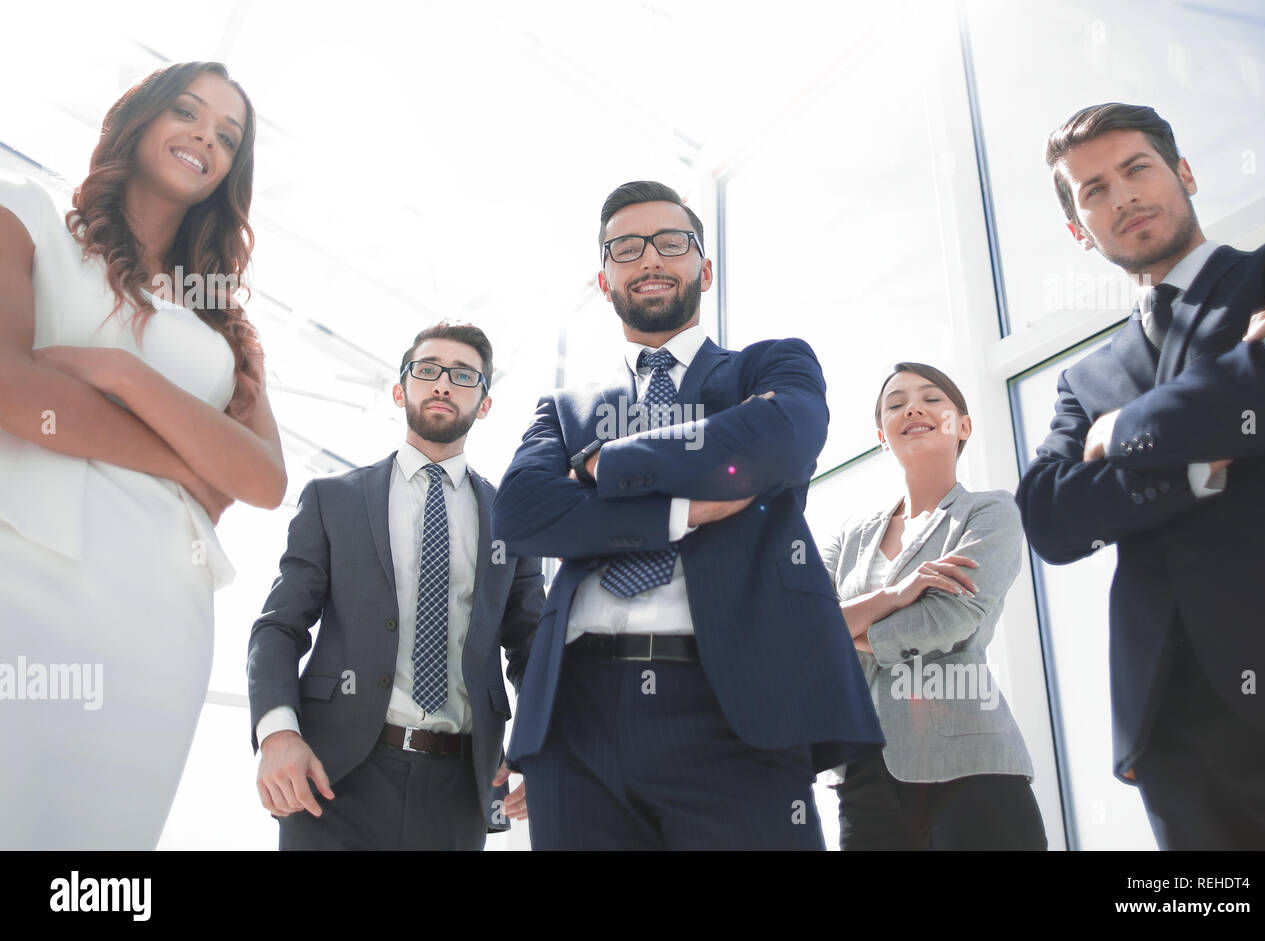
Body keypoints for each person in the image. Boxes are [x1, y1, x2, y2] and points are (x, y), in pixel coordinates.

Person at [491, 180, 882, 850]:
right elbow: (522, 510)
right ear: (604, 275)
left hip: (737, 705)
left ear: (704, 268)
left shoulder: (771, 364)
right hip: (575, 721)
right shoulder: (563, 409)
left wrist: (606, 465)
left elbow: (775, 443)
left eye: (670, 242)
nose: (649, 258)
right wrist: (678, 511)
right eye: (626, 247)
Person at [0, 62, 284, 850]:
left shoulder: (227, 329)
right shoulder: (25, 215)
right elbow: (13, 390)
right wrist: (188, 463)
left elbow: (260, 480)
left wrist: (121, 374)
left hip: (161, 623)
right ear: (138, 118)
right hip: (24, 574)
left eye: (227, 137)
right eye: (189, 113)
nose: (206, 137)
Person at [1016, 102, 1265, 849]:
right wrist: (1203, 460)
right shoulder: (1085, 378)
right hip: (1166, 734)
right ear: (1080, 231)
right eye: (1094, 190)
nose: (1123, 196)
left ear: (1185, 172)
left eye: (1136, 168)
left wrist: (1126, 432)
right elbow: (1049, 515)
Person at [248, 322, 544, 850]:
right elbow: (278, 627)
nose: (443, 384)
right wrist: (277, 733)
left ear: (485, 401)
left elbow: (530, 649)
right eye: (427, 370)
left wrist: (545, 748)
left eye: (462, 375)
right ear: (399, 388)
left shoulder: (512, 519)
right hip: (334, 780)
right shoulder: (332, 501)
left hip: (459, 791)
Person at [822, 363, 1046, 850]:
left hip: (970, 765)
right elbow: (802, 630)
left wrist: (847, 633)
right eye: (896, 403)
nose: (913, 408)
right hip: (864, 776)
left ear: (962, 425)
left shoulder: (987, 512)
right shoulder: (849, 538)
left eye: (931, 398)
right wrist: (894, 596)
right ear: (883, 435)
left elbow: (951, 618)